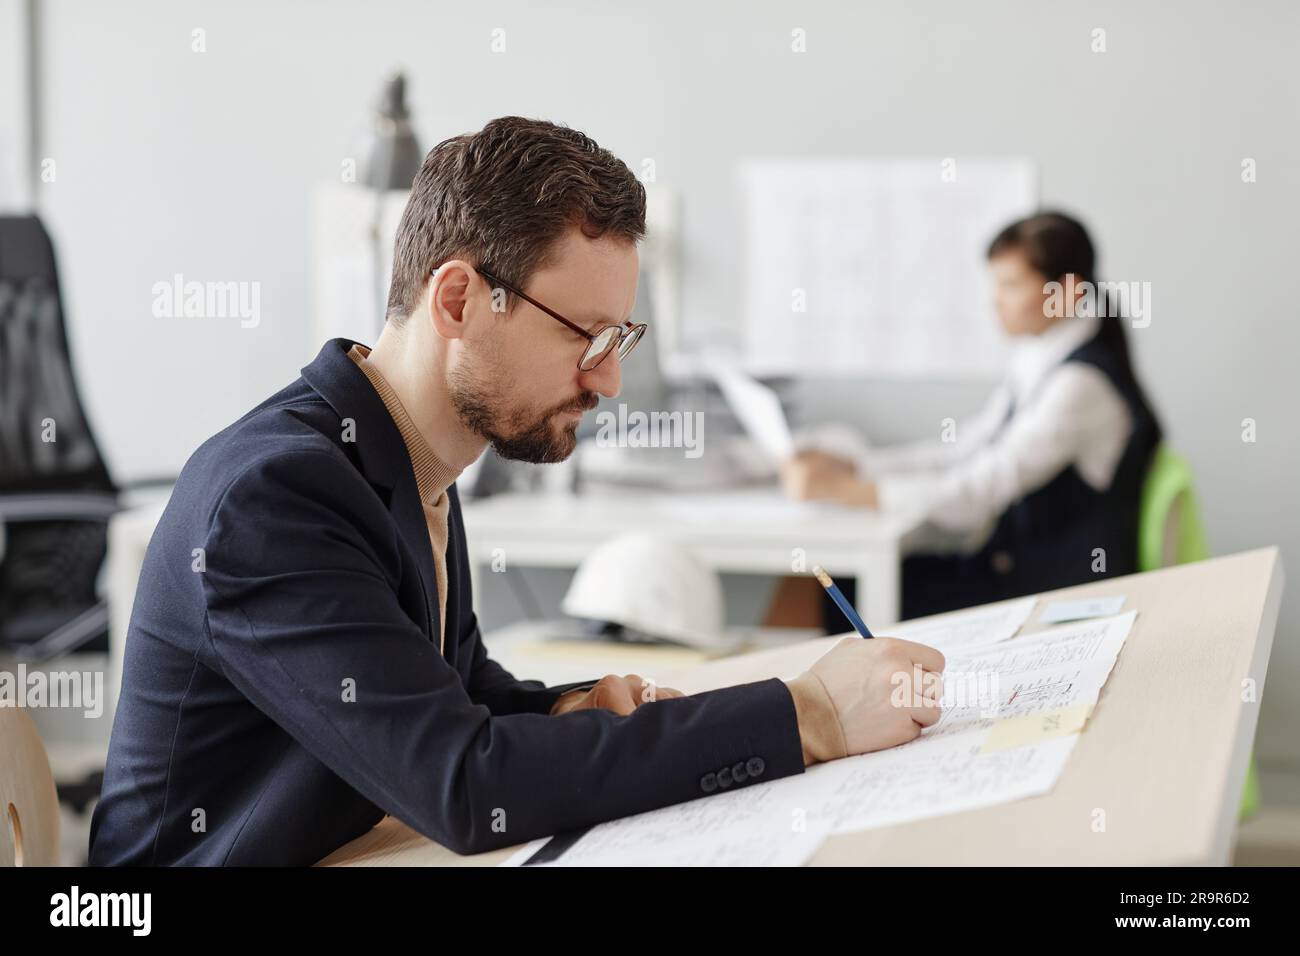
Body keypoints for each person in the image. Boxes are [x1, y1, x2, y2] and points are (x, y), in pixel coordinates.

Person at [89, 117, 945, 865]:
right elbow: (464, 783)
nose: (609, 382)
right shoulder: (274, 497)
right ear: (459, 298)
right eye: (587, 336)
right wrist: (809, 714)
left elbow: (449, 696)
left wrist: (568, 705)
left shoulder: (406, 457)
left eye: (621, 337)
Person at [780, 211, 1162, 623]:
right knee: (815, 585)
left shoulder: (1080, 385)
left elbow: (981, 490)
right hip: (1012, 572)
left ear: (1066, 292)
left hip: (1048, 593)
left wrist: (850, 491)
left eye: (1011, 284)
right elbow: (964, 449)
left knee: (824, 592)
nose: (995, 300)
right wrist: (858, 467)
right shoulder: (1039, 358)